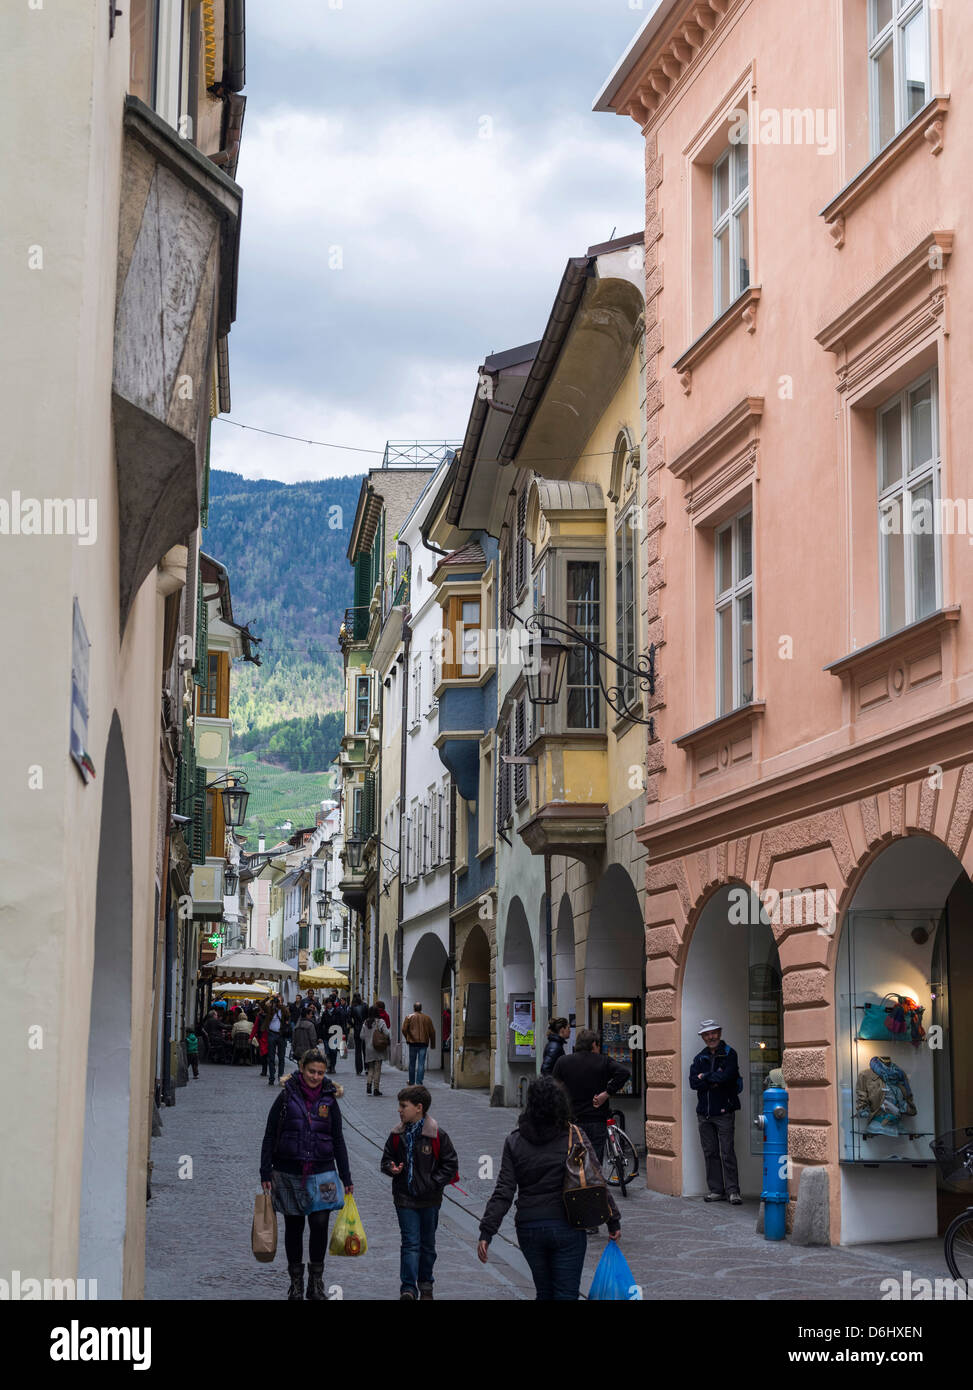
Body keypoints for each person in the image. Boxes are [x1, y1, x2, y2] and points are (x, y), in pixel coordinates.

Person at [477, 1075, 620, 1300]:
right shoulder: (574, 1136)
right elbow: (595, 1179)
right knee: (566, 1294)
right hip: (568, 1225)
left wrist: (487, 1231)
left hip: (530, 1227)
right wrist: (613, 1220)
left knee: (544, 1292)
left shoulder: (515, 1141)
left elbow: (504, 1190)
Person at [260, 1049, 353, 1301]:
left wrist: (346, 1176)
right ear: (302, 1069)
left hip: (323, 1170)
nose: (315, 1076)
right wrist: (265, 1170)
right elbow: (270, 1133)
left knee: (320, 1224)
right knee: (294, 1225)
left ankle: (316, 1281)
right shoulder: (286, 1097)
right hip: (288, 1169)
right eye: (311, 1071)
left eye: (320, 1073)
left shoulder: (329, 1100)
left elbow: (338, 1139)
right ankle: (296, 1283)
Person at [380, 1085, 458, 1301]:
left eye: (403, 1106)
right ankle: (408, 1289)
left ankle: (426, 1285)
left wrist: (433, 1183)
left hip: (430, 1199)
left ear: (419, 1108)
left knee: (428, 1245)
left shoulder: (437, 1135)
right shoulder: (397, 1134)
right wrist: (391, 1167)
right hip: (404, 1198)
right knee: (410, 1243)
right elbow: (386, 1158)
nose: (399, 1110)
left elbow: (450, 1164)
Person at [552, 1029, 630, 1164]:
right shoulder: (603, 1061)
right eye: (598, 1045)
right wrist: (606, 1093)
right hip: (596, 1119)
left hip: (573, 1120)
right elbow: (624, 1073)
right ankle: (593, 1183)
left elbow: (553, 1088)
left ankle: (578, 1182)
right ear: (594, 1044)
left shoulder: (563, 1062)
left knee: (575, 1159)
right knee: (595, 1161)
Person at [689, 1018, 742, 1205]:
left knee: (727, 1151)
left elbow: (727, 1077)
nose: (710, 1037)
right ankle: (716, 1190)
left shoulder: (729, 1054)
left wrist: (705, 1076)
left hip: (724, 1110)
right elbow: (693, 1082)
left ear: (719, 1033)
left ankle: (733, 1191)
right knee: (710, 1152)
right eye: (706, 1034)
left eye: (713, 1033)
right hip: (704, 1112)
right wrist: (712, 1079)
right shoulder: (699, 1057)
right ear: (703, 1037)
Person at [402, 1002, 436, 1085]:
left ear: (414, 1008)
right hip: (423, 1043)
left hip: (413, 1043)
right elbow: (432, 1032)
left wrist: (408, 1038)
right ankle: (419, 1082)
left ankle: (411, 1081)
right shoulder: (427, 1018)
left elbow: (404, 1029)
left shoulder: (409, 1017)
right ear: (421, 1008)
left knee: (412, 1063)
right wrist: (432, 1044)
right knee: (421, 1063)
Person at [362, 1005, 391, 1095]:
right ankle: (376, 1089)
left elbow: (361, 1036)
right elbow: (387, 1033)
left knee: (370, 1068)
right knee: (377, 1069)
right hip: (378, 1048)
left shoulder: (365, 1022)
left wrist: (368, 1037)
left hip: (369, 1048)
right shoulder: (380, 1022)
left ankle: (368, 1084)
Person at [265, 997, 292, 1087]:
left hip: (281, 1035)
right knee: (271, 1057)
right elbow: (262, 1005)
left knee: (281, 1057)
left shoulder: (284, 1010)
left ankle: (280, 1077)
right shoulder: (269, 1010)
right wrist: (268, 999)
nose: (277, 1004)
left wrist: (281, 1006)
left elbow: (288, 1016)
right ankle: (271, 1077)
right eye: (276, 1002)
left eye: (279, 1002)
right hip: (271, 1034)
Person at [318, 1001, 339, 1074]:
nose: (329, 1004)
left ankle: (333, 1066)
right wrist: (320, 1036)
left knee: (333, 1052)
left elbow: (340, 1023)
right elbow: (321, 1024)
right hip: (326, 1035)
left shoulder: (337, 1013)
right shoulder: (325, 1013)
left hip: (335, 1035)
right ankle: (329, 1066)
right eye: (328, 1003)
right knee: (328, 1052)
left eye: (330, 1003)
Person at [250, 1004, 271, 1077]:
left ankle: (264, 1071)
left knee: (264, 1055)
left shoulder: (259, 1017)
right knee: (269, 1054)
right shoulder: (270, 1016)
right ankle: (269, 1071)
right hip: (269, 1036)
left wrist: (251, 1037)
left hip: (262, 1037)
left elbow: (255, 1028)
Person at [349, 994, 367, 1075]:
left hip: (357, 1029)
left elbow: (348, 1019)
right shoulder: (365, 1006)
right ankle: (367, 1068)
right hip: (365, 1029)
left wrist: (353, 1025)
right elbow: (368, 1016)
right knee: (365, 1049)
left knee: (358, 1051)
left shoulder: (352, 1007)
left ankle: (359, 1069)